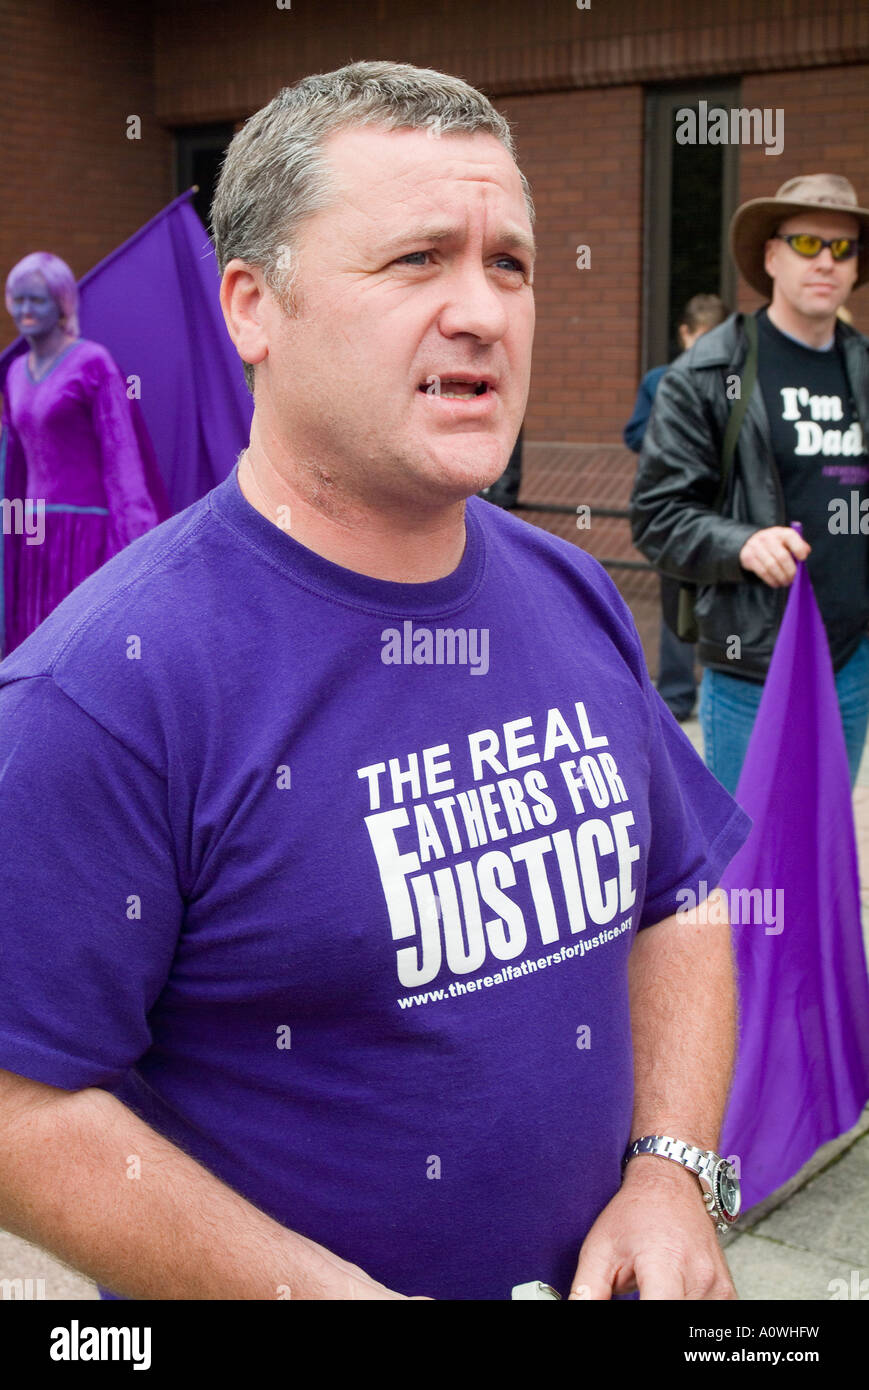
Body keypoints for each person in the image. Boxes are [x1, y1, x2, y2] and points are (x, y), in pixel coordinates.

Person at [0, 60, 750, 1302]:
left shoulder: (571, 593)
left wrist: (668, 1172)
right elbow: (21, 1100)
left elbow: (679, 900)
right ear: (252, 306)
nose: (481, 312)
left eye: (506, 264)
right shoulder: (103, 691)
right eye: (415, 261)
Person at [630, 175, 869, 794]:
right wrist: (742, 542)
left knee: (822, 838)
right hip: (750, 661)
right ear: (770, 255)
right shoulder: (708, 372)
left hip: (851, 658)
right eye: (808, 243)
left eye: (842, 249)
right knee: (744, 857)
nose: (826, 261)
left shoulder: (863, 367)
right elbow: (658, 516)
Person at [1, 253, 165, 656]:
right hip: (33, 536)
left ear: (61, 304)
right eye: (17, 299)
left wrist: (136, 546)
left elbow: (122, 456)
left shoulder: (93, 363)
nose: (25, 310)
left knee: (83, 649)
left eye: (36, 300)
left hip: (86, 534)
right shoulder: (15, 371)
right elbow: (16, 465)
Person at [624, 295, 728, 720]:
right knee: (677, 602)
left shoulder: (733, 380)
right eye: (699, 338)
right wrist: (676, 438)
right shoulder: (660, 380)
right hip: (677, 506)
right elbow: (634, 435)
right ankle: (677, 698)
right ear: (684, 335)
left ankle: (719, 685)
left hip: (721, 509)